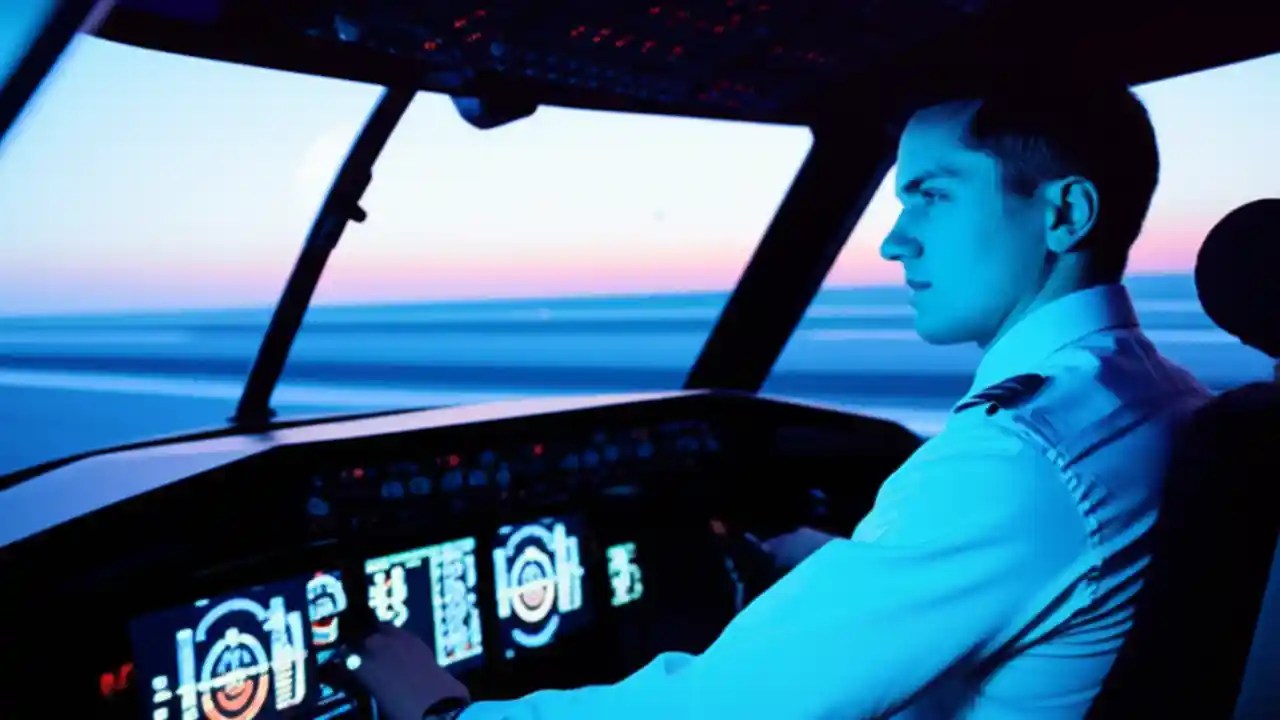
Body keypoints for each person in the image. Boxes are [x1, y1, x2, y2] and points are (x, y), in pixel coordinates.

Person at [335, 75, 1212, 719]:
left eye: (932, 197)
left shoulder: (1017, 460)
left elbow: (723, 709)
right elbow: (1018, 568)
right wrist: (816, 551)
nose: (895, 241)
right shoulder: (1155, 398)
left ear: (1063, 215)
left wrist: (439, 711)